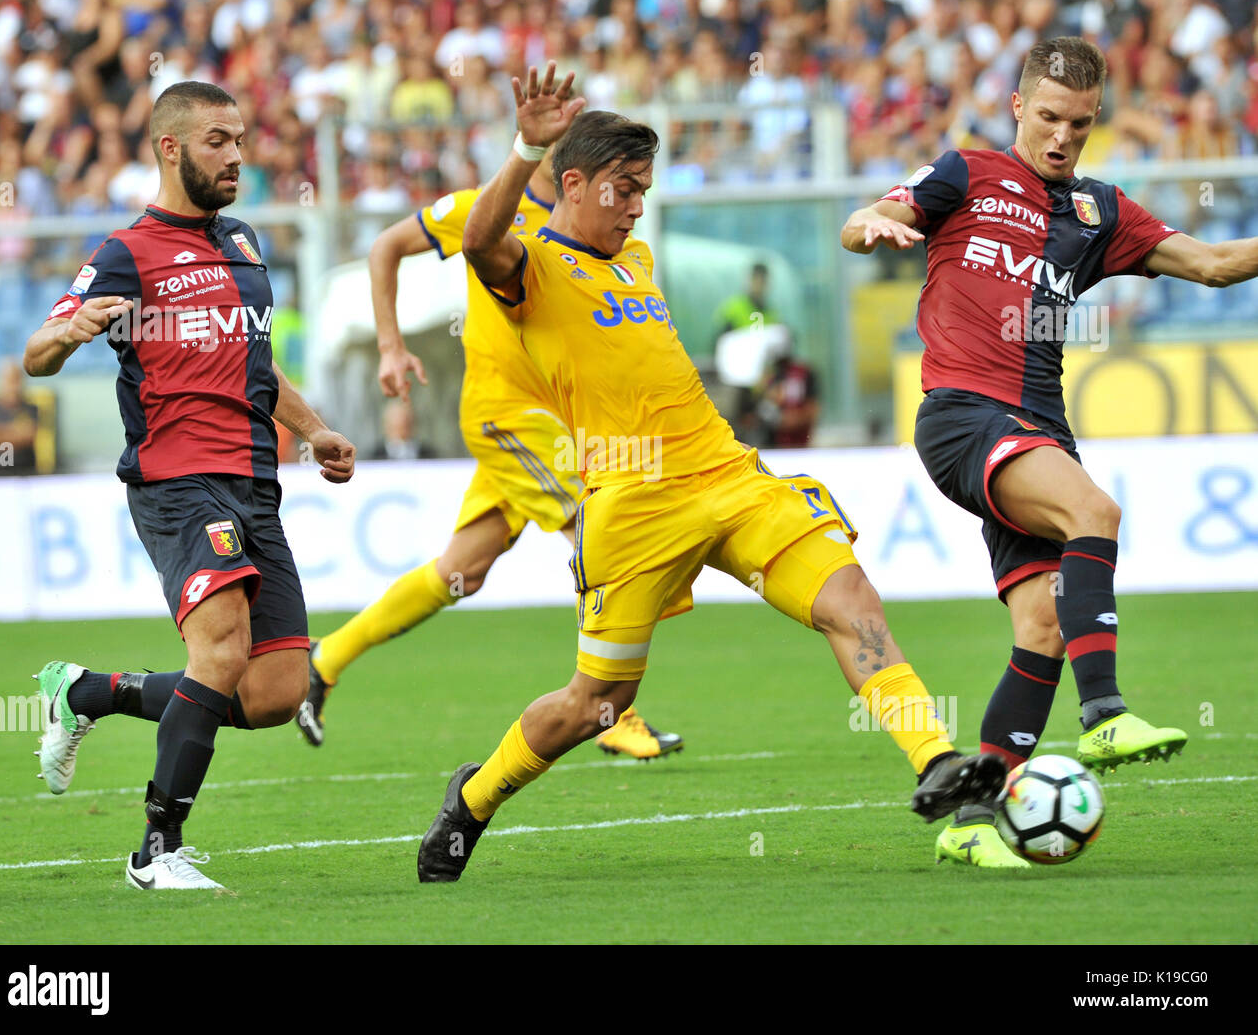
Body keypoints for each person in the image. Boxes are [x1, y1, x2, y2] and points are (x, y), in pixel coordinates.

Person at [416, 65, 1006, 883]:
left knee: (850, 597)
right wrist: (525, 148)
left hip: (726, 472)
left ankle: (935, 760)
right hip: (632, 501)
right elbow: (479, 240)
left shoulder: (639, 259)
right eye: (622, 189)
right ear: (573, 184)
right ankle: (474, 797)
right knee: (597, 706)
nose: (635, 205)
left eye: (644, 190)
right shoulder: (533, 267)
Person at [838, 37, 1255, 867]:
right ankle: (1103, 715)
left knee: (1042, 626)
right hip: (963, 413)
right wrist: (875, 224)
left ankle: (969, 819)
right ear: (1021, 106)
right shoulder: (966, 173)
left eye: (1083, 124)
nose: (1064, 137)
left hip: (1036, 429)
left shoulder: (1101, 212)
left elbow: (1212, 264)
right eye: (1052, 118)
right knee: (1095, 510)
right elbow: (861, 221)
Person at [22, 81, 356, 890]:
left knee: (275, 689)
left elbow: (255, 354)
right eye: (217, 140)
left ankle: (88, 692)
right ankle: (155, 850)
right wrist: (69, 333)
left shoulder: (242, 241)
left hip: (255, 481)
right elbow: (35, 353)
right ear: (170, 149)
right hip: (178, 480)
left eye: (239, 137)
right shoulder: (125, 252)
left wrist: (311, 430)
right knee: (221, 648)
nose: (236, 155)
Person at [299, 132, 683, 761]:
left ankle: (328, 657)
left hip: (552, 424)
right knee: (601, 531)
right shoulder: (483, 210)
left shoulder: (596, 229)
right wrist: (391, 344)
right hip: (510, 417)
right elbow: (386, 245)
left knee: (460, 573)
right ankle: (612, 712)